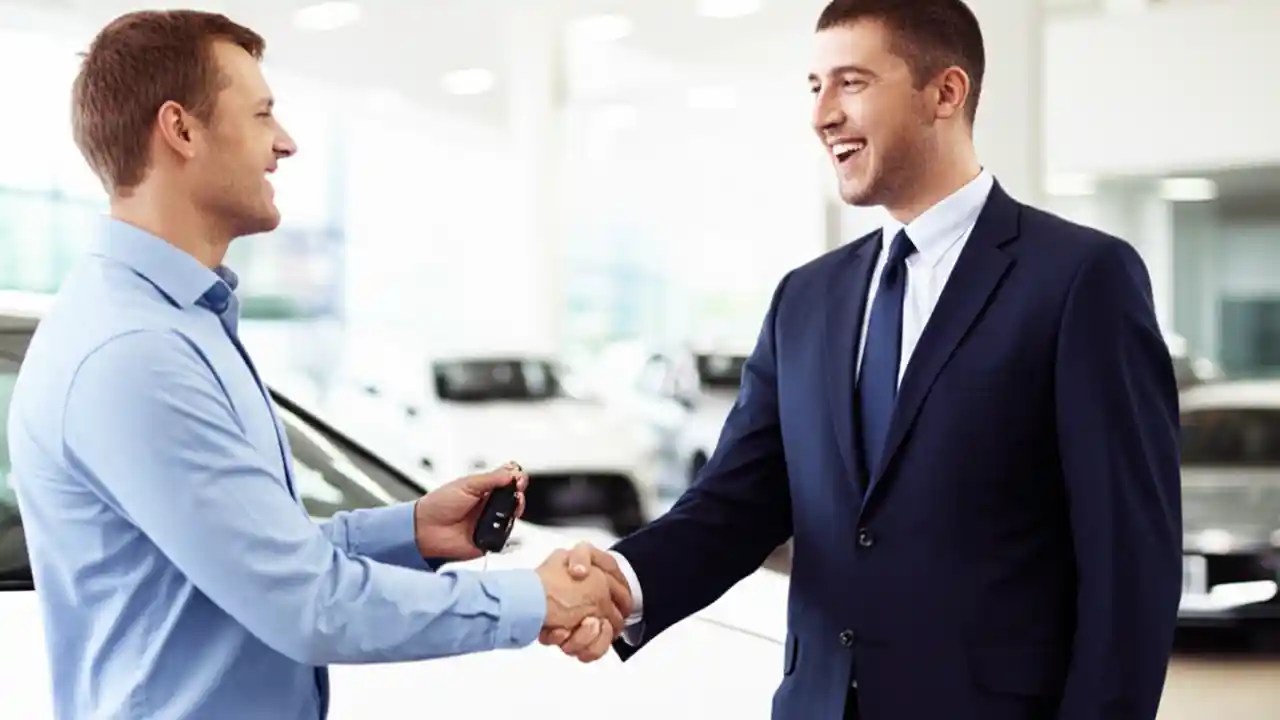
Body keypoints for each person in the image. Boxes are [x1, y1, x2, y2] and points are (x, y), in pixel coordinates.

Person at [544, 1, 1183, 718]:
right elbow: (735, 506)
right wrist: (622, 579)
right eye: (814, 86)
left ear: (945, 92)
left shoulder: (1079, 280)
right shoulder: (805, 300)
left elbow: (1131, 568)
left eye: (851, 82)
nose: (822, 115)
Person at [5, 10, 625, 719]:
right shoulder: (134, 355)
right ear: (181, 130)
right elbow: (304, 601)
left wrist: (414, 529)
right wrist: (534, 597)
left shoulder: (170, 326)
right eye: (263, 113)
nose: (286, 143)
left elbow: (252, 554)